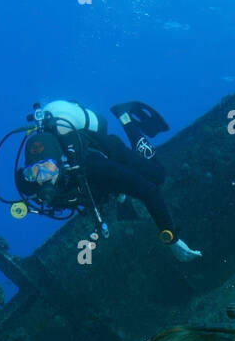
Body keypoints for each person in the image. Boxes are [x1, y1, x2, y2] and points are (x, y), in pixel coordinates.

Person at [15, 99, 202, 260]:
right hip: (93, 178)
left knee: (158, 175)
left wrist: (170, 237)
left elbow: (149, 191)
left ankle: (124, 117)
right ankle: (118, 191)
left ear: (61, 163)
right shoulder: (31, 185)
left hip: (109, 150)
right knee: (111, 187)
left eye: (48, 169)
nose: (42, 179)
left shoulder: (93, 166)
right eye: (33, 173)